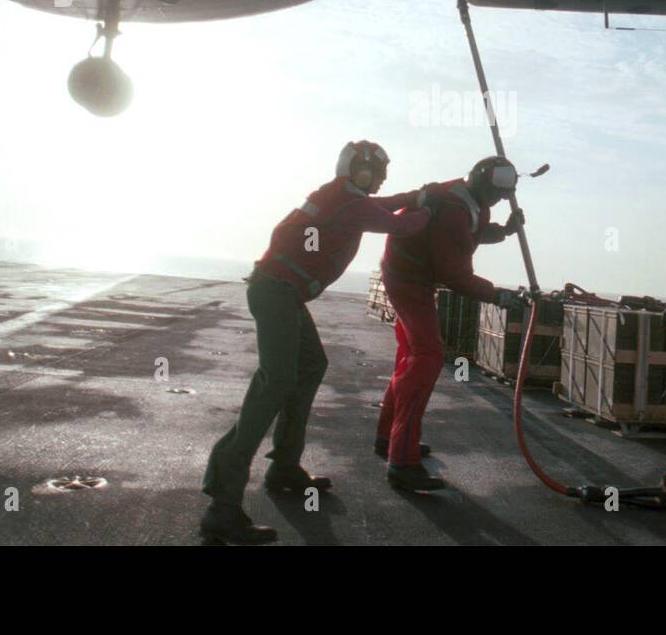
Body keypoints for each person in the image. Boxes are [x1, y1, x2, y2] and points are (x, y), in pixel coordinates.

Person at [200, 141, 433, 544]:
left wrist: (413, 196)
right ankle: (222, 506)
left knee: (311, 366)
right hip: (277, 292)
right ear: (358, 171)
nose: (382, 179)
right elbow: (400, 224)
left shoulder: (345, 197)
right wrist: (429, 208)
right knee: (275, 383)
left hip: (281, 291)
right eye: (377, 171)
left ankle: (284, 467)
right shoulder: (350, 201)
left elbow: (384, 206)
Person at [376, 156, 525, 491]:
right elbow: (455, 274)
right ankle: (401, 460)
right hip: (409, 279)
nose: (497, 201)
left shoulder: (469, 198)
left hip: (409, 274)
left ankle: (388, 436)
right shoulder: (454, 208)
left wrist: (504, 231)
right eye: (494, 195)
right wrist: (496, 295)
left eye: (502, 197)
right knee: (427, 358)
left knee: (410, 355)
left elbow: (470, 233)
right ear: (481, 184)